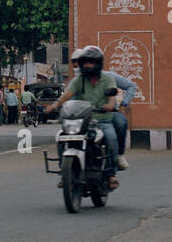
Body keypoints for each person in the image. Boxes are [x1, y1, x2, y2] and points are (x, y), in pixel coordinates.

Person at [45, 45, 121, 186]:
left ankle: (111, 174)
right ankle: (65, 173)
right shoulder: (79, 80)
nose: (87, 65)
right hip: (82, 120)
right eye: (85, 62)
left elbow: (112, 97)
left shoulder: (108, 79)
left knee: (111, 138)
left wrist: (110, 105)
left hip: (103, 120)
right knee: (62, 136)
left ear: (97, 63)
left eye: (90, 62)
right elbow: (67, 94)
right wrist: (55, 105)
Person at [107, 71, 137, 170]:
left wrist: (124, 103)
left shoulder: (109, 77)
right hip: (87, 114)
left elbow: (131, 86)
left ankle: (119, 154)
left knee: (121, 122)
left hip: (108, 112)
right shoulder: (79, 80)